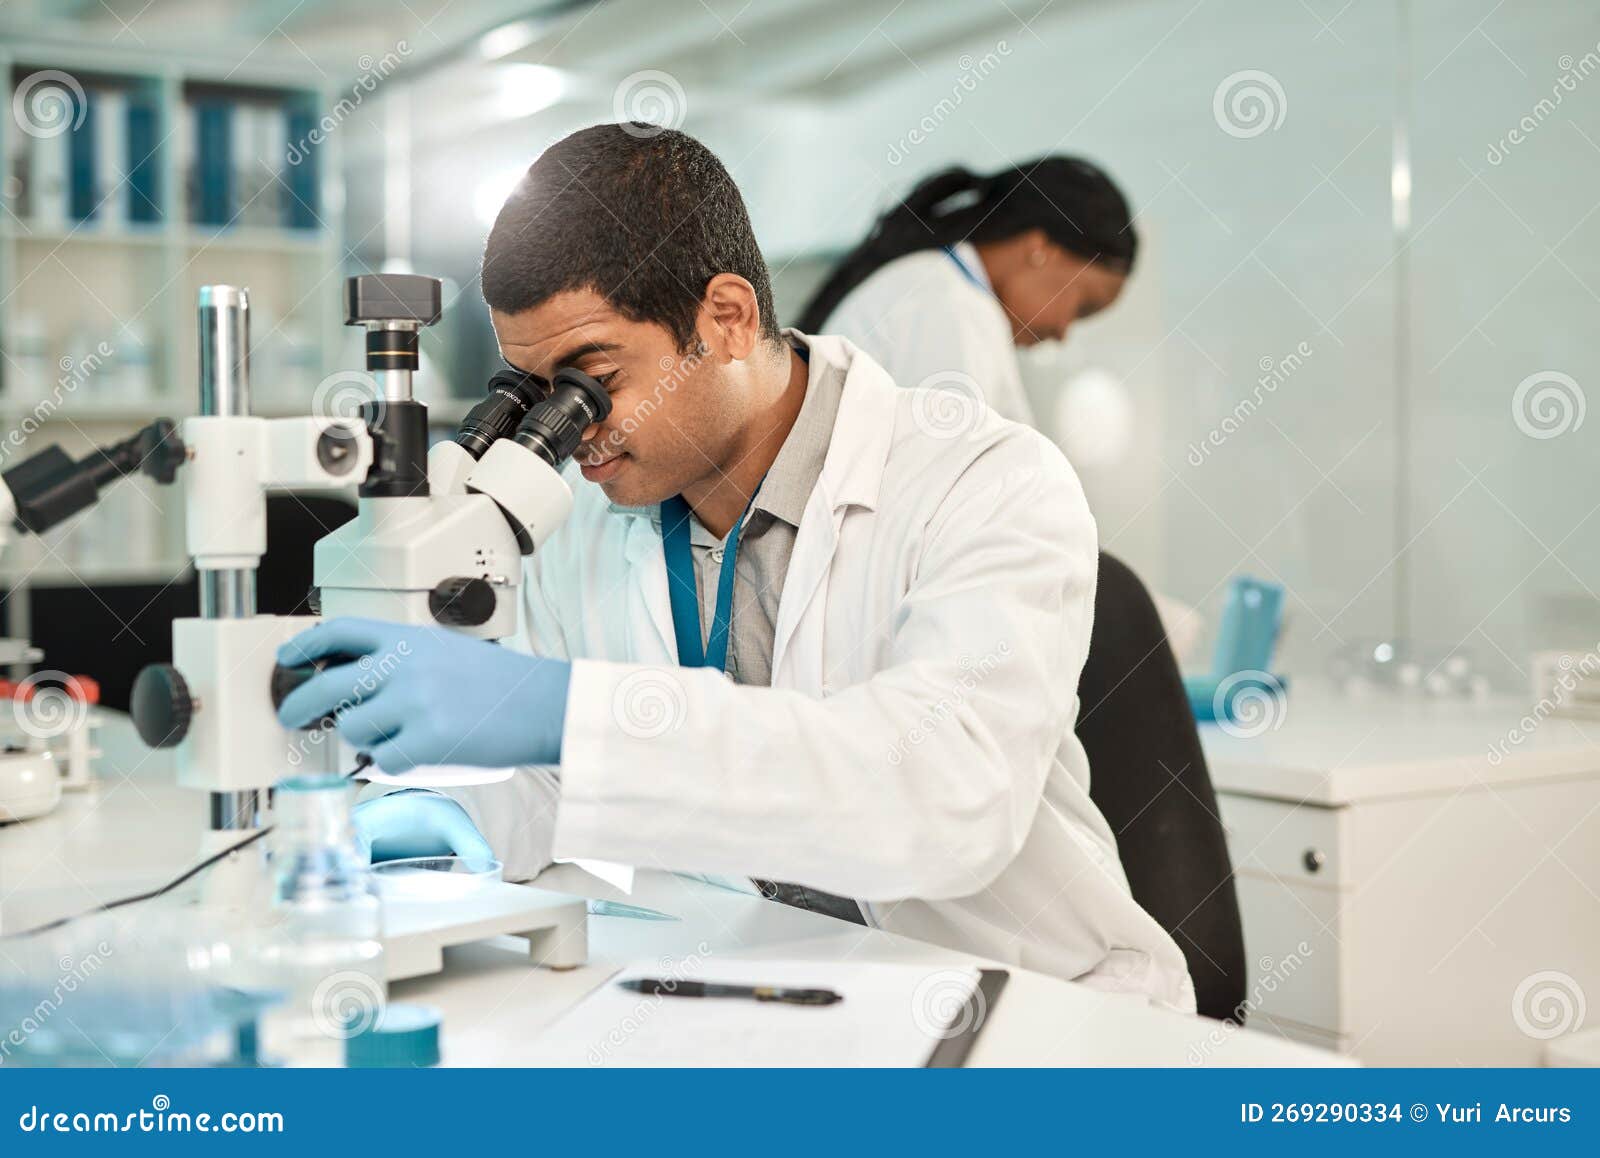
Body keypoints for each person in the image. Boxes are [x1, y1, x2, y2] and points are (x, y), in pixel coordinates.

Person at [276, 124, 1193, 1010]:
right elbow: (566, 781)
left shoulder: (989, 481)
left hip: (1023, 1012)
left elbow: (940, 793)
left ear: (725, 318)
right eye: (533, 390)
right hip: (776, 988)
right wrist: (444, 813)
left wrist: (558, 709)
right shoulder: (587, 527)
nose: (570, 429)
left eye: (593, 379)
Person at [796, 158, 1136, 426]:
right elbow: (950, 495)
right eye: (1081, 307)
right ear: (1041, 249)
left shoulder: (943, 290)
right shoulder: (949, 307)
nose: (1063, 332)